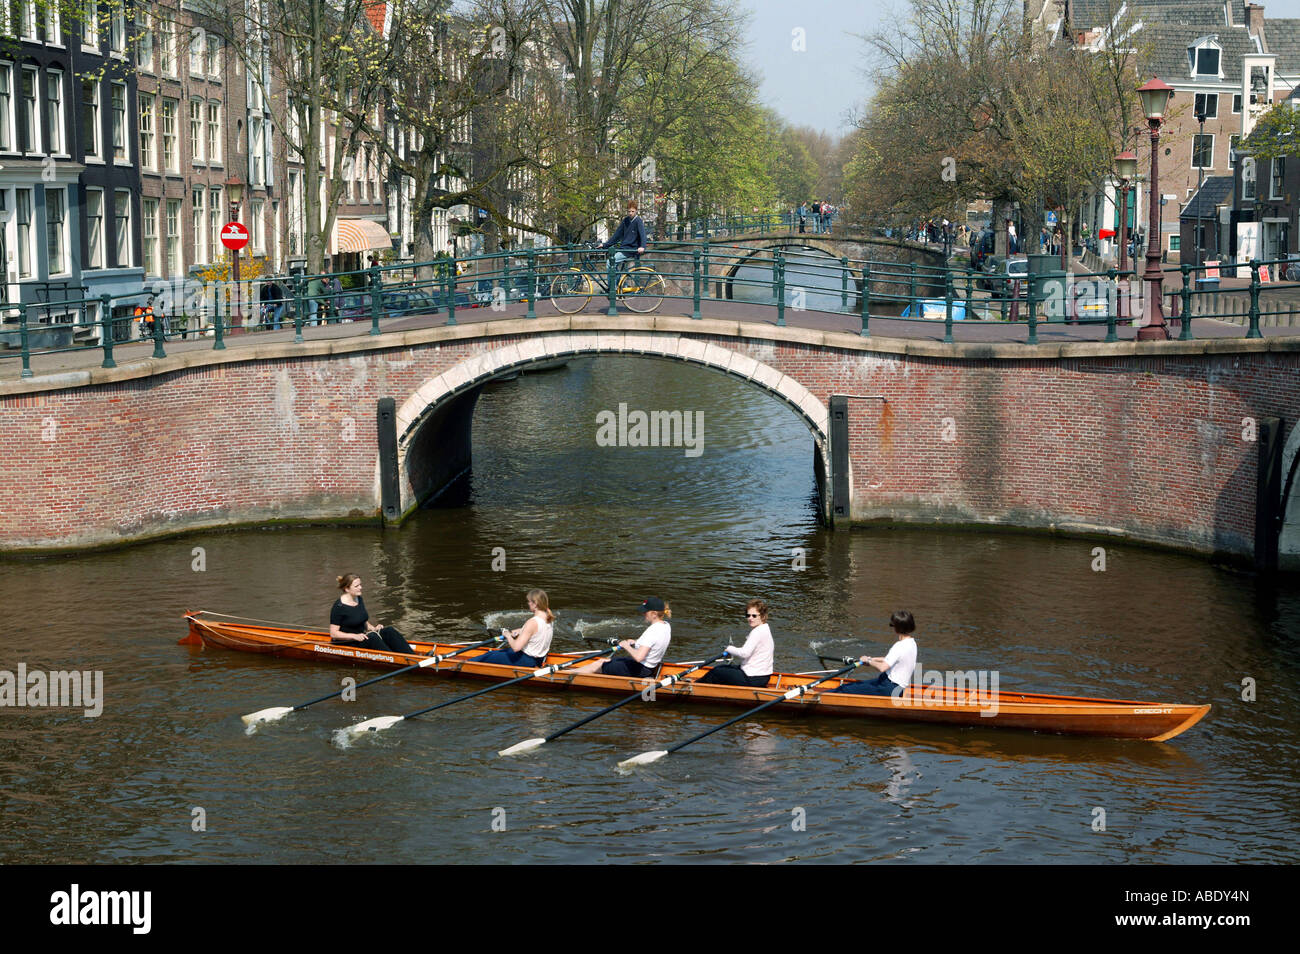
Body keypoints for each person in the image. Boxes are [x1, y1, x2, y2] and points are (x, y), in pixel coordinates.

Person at [576, 597, 671, 678]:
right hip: (649, 668)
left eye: (645, 612)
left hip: (639, 669)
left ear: (654, 614)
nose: (643, 613)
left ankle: (566, 675)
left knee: (597, 665)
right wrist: (635, 641)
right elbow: (653, 643)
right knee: (604, 660)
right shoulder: (665, 626)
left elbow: (638, 657)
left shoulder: (652, 631)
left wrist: (626, 646)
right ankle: (571, 673)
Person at [833, 610, 918, 696]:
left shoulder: (899, 646)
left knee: (845, 688)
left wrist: (869, 662)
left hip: (888, 688)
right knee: (855, 685)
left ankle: (822, 698)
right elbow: (891, 660)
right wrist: (871, 659)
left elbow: (882, 667)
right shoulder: (912, 643)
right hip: (898, 689)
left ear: (897, 628)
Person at [329, 574, 416, 654]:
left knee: (389, 631)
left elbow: (362, 621)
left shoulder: (358, 599)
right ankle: (398, 660)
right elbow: (334, 633)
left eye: (360, 584)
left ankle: (413, 656)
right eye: (356, 586)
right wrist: (354, 636)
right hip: (347, 643)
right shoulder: (339, 607)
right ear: (347, 589)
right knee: (373, 637)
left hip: (362, 638)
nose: (360, 587)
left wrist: (374, 628)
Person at [698, 598, 774, 687]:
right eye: (748, 615)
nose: (750, 618)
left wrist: (729, 649)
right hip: (763, 677)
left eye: (754, 616)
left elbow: (744, 653)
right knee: (722, 668)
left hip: (752, 679)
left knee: (717, 671)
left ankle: (696, 687)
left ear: (762, 616)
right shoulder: (765, 628)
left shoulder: (757, 632)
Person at [476, 589, 555, 668]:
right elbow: (537, 632)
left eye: (529, 601)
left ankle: (465, 665)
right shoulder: (548, 618)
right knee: (493, 653)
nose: (528, 603)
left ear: (535, 604)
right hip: (539, 659)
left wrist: (508, 635)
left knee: (487, 656)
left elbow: (516, 648)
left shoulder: (532, 622)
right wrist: (521, 630)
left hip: (526, 660)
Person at [600, 199, 647, 273]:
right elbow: (617, 235)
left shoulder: (638, 221)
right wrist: (605, 245)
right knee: (617, 268)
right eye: (629, 211)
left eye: (632, 211)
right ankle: (620, 283)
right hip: (624, 249)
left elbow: (643, 235)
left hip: (630, 250)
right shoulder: (625, 220)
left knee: (610, 263)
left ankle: (612, 284)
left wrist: (642, 246)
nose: (630, 213)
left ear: (636, 211)